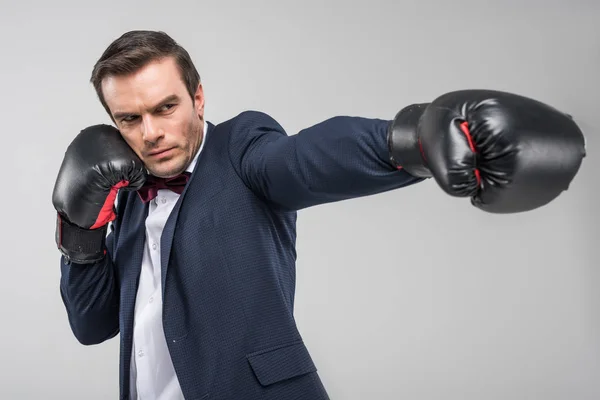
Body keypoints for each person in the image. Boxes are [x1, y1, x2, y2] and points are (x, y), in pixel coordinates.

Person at [52, 30, 586, 400]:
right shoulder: (120, 194)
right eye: (129, 118)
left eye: (165, 107)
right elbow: (91, 324)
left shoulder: (241, 148)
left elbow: (305, 160)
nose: (150, 133)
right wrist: (80, 228)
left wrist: (415, 140)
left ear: (198, 97)